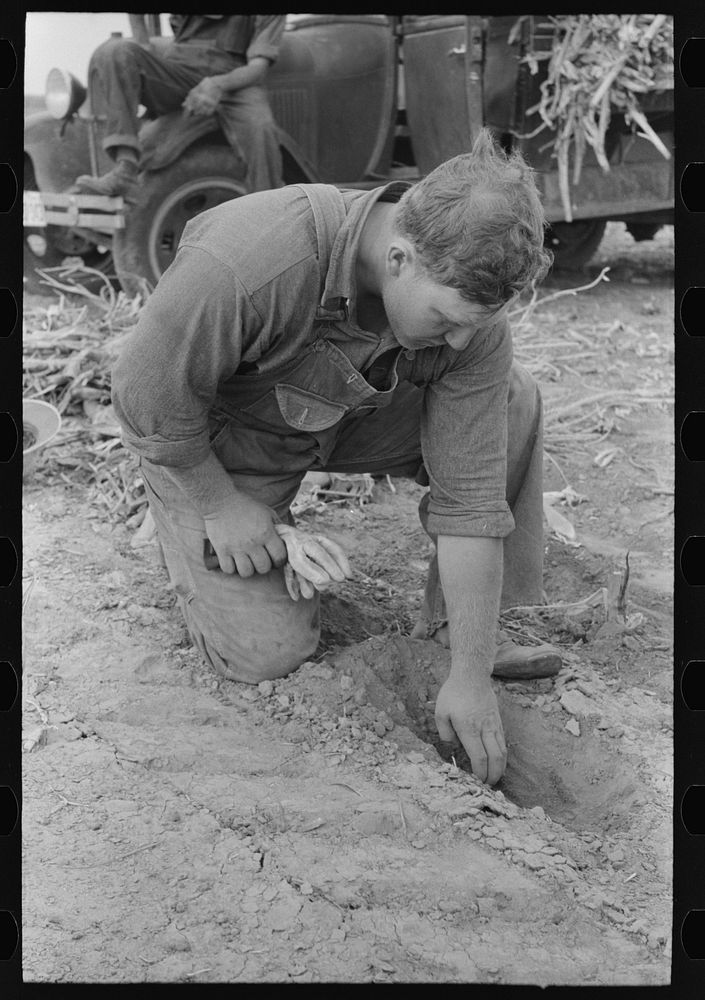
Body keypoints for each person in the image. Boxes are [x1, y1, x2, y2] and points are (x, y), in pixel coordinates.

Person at [112, 128, 560, 787]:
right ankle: (177, 511)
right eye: (446, 319)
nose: (462, 339)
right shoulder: (254, 258)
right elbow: (143, 390)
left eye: (475, 322)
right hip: (234, 440)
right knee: (266, 653)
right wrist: (219, 502)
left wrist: (468, 674)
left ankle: (466, 625)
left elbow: (469, 498)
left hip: (352, 417)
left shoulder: (468, 323)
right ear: (400, 257)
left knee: (512, 402)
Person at [74, 14, 285, 197]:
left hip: (235, 79)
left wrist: (217, 85)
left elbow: (258, 68)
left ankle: (268, 211)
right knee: (115, 51)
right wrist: (144, 44)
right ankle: (126, 167)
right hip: (179, 71)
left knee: (261, 128)